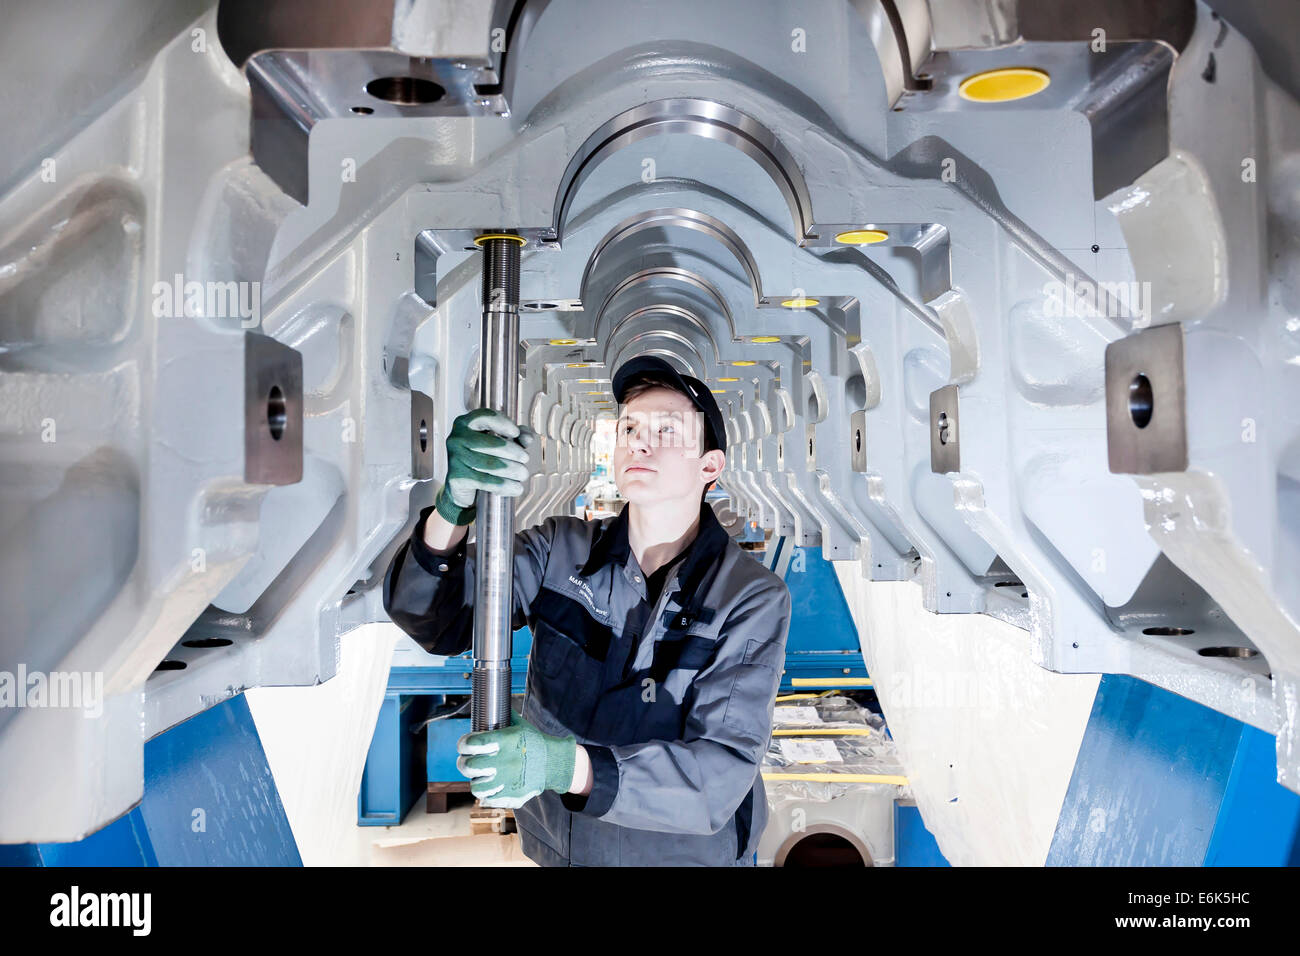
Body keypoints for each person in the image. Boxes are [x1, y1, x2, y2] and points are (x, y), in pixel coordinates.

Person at [382, 355, 792, 866]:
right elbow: (440, 623)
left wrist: (563, 767)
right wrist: (453, 507)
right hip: (559, 845)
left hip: (679, 858)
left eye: (668, 431)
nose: (640, 442)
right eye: (630, 428)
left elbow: (717, 777)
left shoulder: (749, 596)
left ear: (710, 466)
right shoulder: (561, 551)